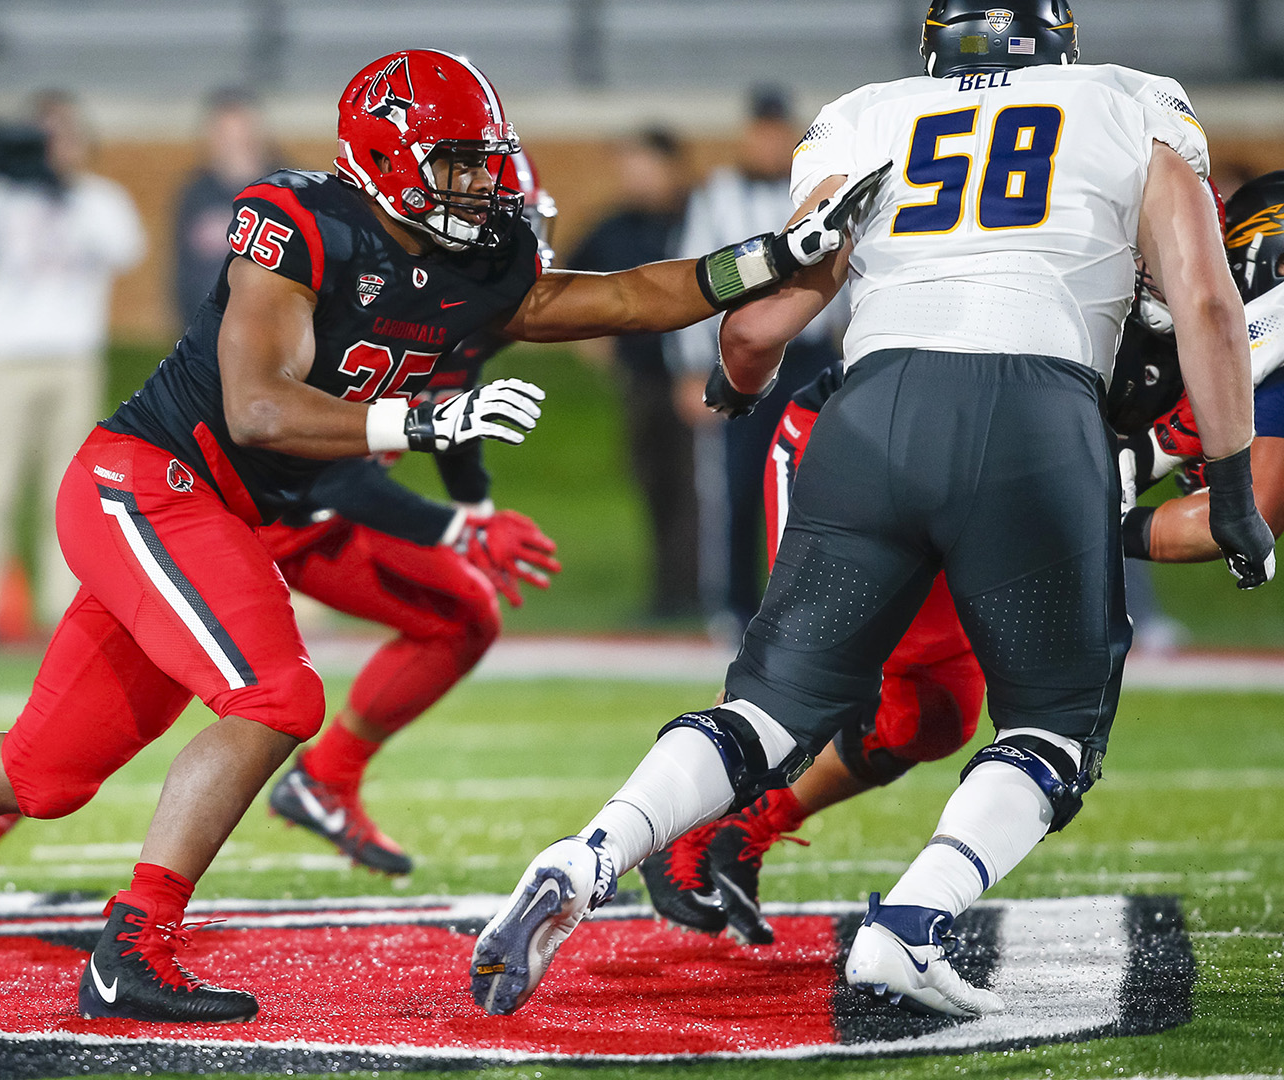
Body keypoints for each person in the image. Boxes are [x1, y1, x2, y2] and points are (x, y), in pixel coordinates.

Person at [0, 48, 867, 1025]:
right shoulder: (295, 222)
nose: (482, 185)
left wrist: (773, 258)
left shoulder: (482, 263)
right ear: (383, 160)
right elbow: (262, 404)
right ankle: (133, 947)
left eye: (483, 160)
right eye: (456, 164)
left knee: (44, 773)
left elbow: (628, 297)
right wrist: (427, 418)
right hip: (148, 484)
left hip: (219, 517)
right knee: (277, 695)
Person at [472, 2, 1275, 1021]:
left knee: (764, 710)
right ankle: (910, 927)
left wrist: (736, 378)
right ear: (1055, 34)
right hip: (1032, 413)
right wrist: (1237, 487)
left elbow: (764, 321)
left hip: (869, 413)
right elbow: (1204, 302)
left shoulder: (870, 115)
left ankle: (590, 851)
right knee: (1052, 727)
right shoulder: (1129, 102)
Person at [642, 170, 1284, 948]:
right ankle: (683, 825)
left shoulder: (1240, 342)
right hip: (870, 456)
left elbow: (1238, 512)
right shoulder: (1079, 283)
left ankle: (740, 829)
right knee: (812, 677)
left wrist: (1087, 522)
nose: (1159, 266)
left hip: (1006, 501)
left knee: (932, 715)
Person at [0, 151, 563, 892]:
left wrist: (473, 508)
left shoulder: (464, 295)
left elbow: (456, 406)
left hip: (296, 508)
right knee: (150, 710)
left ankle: (324, 782)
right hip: (252, 505)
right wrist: (453, 528)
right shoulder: (376, 280)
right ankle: (295, 800)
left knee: (456, 615)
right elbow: (332, 452)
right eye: (500, 213)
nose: (507, 233)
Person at [0, 91, 146, 640]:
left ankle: (60, 616)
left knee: (66, 492)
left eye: (65, 136)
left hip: (71, 360)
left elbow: (127, 248)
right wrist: (1, 188)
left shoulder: (97, 199)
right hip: (1, 362)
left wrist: (66, 196)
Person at [671, 86, 848, 637]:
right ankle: (735, 605)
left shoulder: (818, 185)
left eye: (778, 131)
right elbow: (692, 275)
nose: (769, 142)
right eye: (761, 132)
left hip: (812, 353)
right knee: (737, 480)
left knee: (818, 481)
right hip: (741, 356)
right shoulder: (719, 193)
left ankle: (807, 604)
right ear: (749, 135)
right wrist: (691, 365)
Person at [569, 128, 702, 622]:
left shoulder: (702, 215)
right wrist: (603, 353)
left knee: (701, 487)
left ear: (672, 166)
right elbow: (567, 285)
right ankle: (668, 594)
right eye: (629, 167)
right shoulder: (614, 226)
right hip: (644, 380)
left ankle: (708, 591)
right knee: (655, 484)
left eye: (644, 165)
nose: (635, 177)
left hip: (700, 379)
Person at [174, 88, 278, 329]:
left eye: (239, 134)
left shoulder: (291, 189)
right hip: (209, 334)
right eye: (223, 134)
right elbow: (182, 274)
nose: (232, 144)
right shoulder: (195, 195)